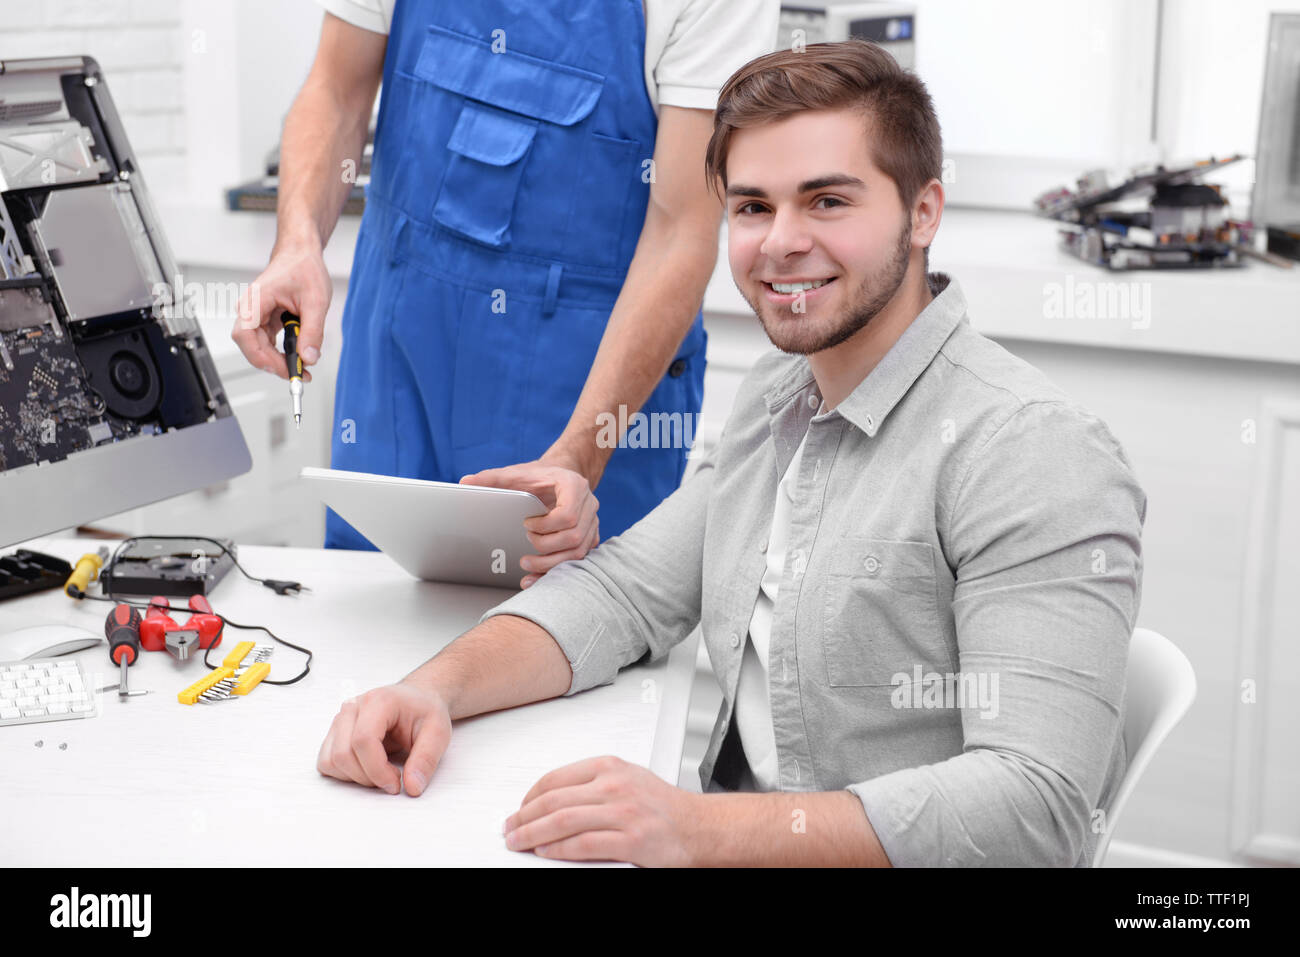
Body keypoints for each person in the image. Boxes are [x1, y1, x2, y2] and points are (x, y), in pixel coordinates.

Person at [316, 39, 1148, 867]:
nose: (781, 241)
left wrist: (692, 829)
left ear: (924, 211)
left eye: (827, 201)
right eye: (753, 206)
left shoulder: (1034, 450)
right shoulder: (779, 395)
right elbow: (626, 592)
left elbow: (1038, 810)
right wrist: (431, 689)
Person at [232, 0, 779, 586]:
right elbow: (335, 91)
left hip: (582, 396)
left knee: (566, 638)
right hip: (396, 368)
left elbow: (680, 231)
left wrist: (577, 457)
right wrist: (296, 243)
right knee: (366, 614)